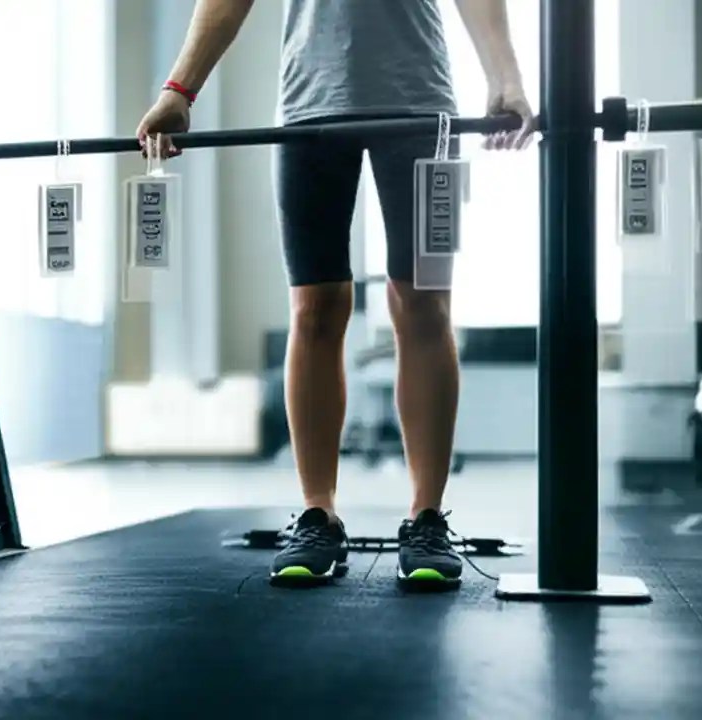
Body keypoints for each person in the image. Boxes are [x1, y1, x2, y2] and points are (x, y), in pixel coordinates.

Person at [136, 0, 535, 586]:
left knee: (424, 307)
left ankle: (427, 518)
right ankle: (318, 513)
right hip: (309, 110)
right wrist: (180, 89)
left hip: (420, 107)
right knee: (315, 310)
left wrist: (506, 79)